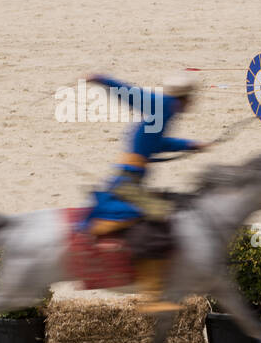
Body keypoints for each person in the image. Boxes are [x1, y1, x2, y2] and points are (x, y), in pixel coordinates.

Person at [78, 73, 207, 322]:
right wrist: (102, 80)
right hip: (128, 182)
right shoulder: (163, 105)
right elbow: (130, 93)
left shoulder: (166, 113)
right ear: (184, 98)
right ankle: (152, 297)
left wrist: (190, 145)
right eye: (191, 99)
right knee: (158, 214)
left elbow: (157, 143)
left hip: (132, 177)